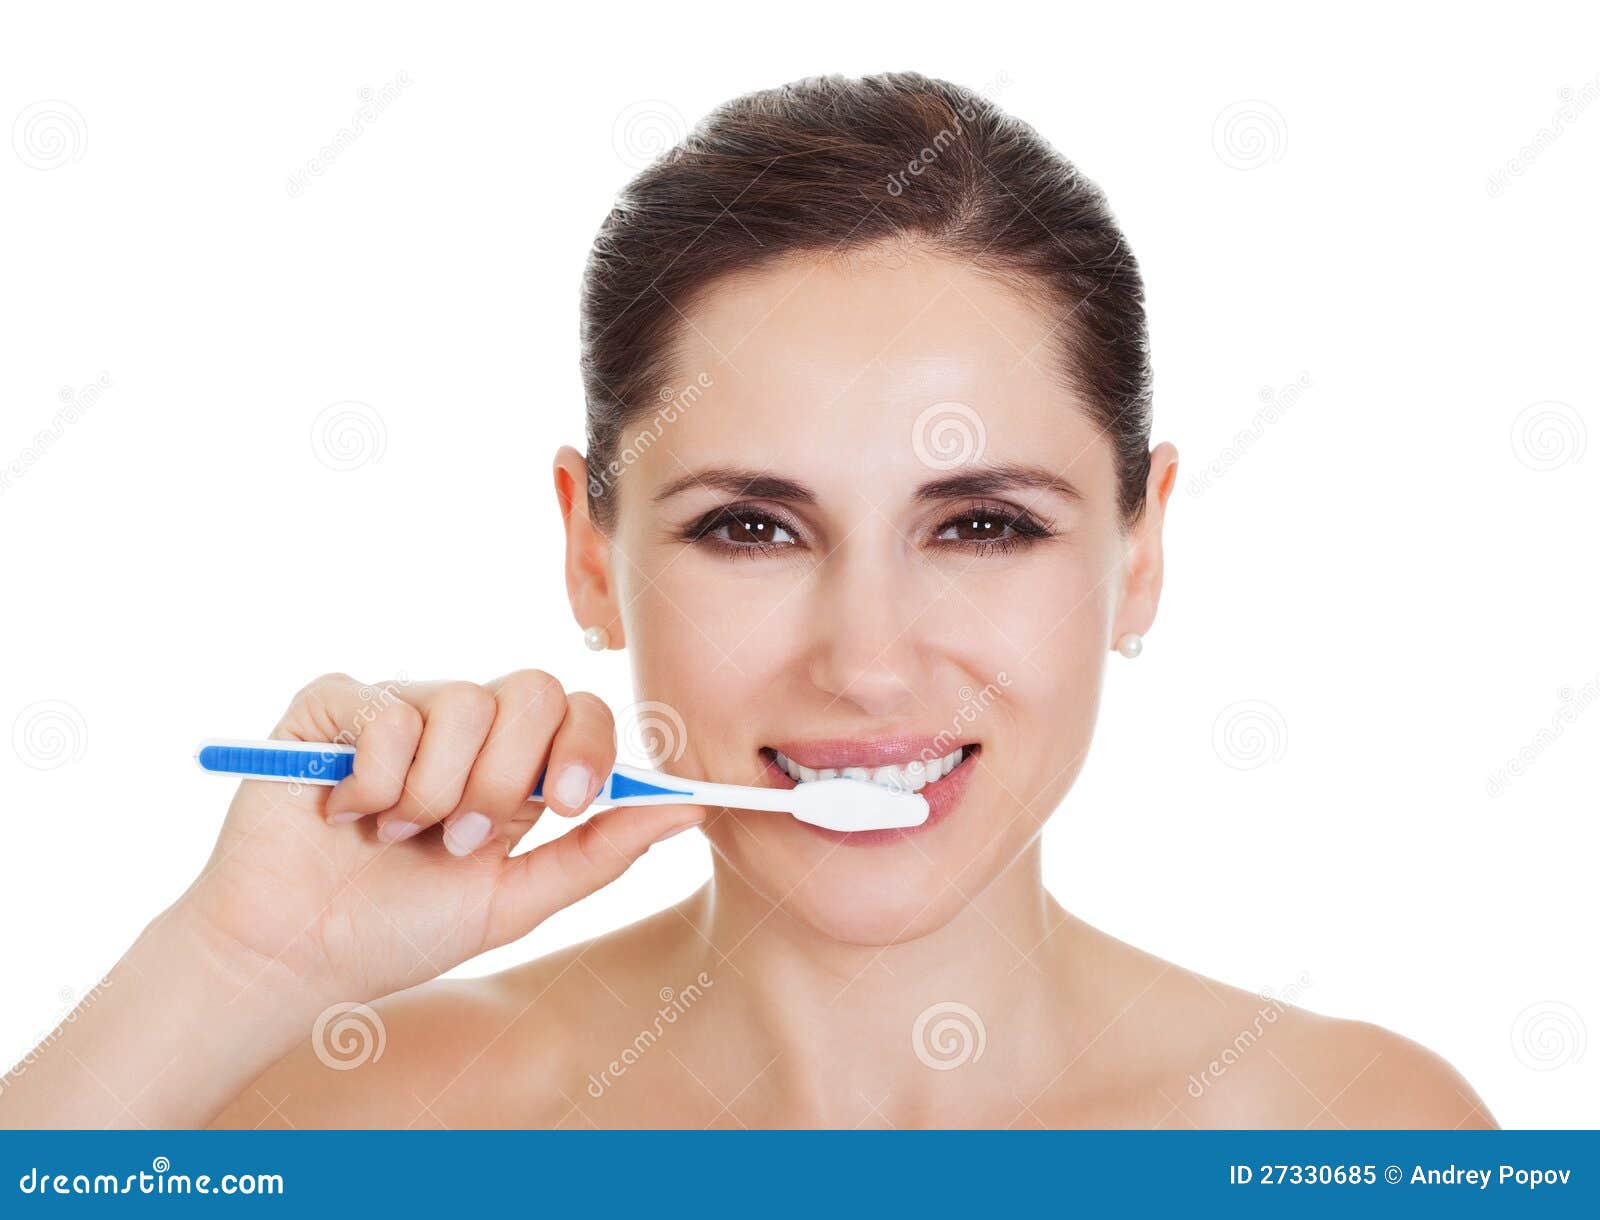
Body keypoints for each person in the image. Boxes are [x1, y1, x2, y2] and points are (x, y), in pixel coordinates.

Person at [0, 71, 1495, 1130]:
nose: (867, 663)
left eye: (980, 524)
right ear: (591, 553)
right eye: (751, 528)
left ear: (1141, 547)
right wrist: (235, 971)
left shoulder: (1367, 1140)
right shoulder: (360, 1129)